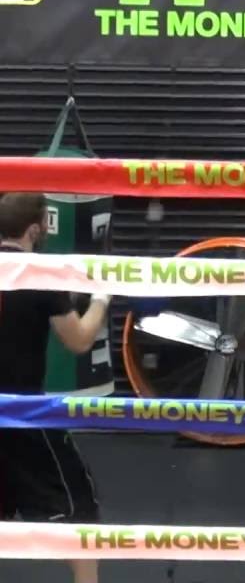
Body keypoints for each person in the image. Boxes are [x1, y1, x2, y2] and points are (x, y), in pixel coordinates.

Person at [0, 192, 110, 583]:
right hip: (22, 417)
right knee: (81, 520)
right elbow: (78, 340)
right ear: (34, 230)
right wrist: (101, 298)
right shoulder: (37, 274)